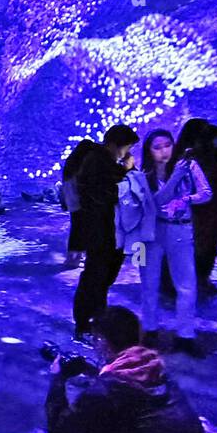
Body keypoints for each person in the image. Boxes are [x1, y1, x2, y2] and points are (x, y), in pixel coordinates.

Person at [30, 305, 210, 433]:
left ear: (103, 342)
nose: (94, 345)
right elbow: (130, 397)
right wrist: (94, 372)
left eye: (95, 339)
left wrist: (58, 378)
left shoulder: (107, 390)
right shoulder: (156, 370)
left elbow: (60, 429)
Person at [137, 129, 212, 356]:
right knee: (149, 283)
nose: (163, 151)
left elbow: (207, 192)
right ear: (149, 151)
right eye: (157, 147)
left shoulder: (188, 166)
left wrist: (187, 199)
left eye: (167, 145)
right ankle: (149, 330)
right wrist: (175, 180)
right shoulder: (145, 174)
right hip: (151, 232)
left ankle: (185, 335)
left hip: (181, 230)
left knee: (187, 284)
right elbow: (155, 202)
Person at [72, 124, 138, 338]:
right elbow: (105, 193)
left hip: (114, 231)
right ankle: (84, 322)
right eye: (125, 147)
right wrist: (125, 171)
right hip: (100, 230)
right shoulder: (95, 161)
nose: (127, 152)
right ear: (113, 144)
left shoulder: (111, 163)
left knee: (105, 277)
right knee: (95, 276)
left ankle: (96, 319)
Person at [183, 121, 217, 296]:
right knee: (205, 250)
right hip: (207, 212)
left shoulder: (192, 157)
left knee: (203, 249)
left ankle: (198, 282)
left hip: (202, 211)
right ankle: (199, 282)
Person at [61, 139, 98, 269]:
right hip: (82, 203)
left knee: (76, 230)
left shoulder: (70, 165)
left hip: (72, 203)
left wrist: (64, 203)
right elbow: (84, 186)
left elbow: (64, 187)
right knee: (84, 230)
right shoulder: (82, 166)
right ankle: (77, 258)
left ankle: (72, 258)